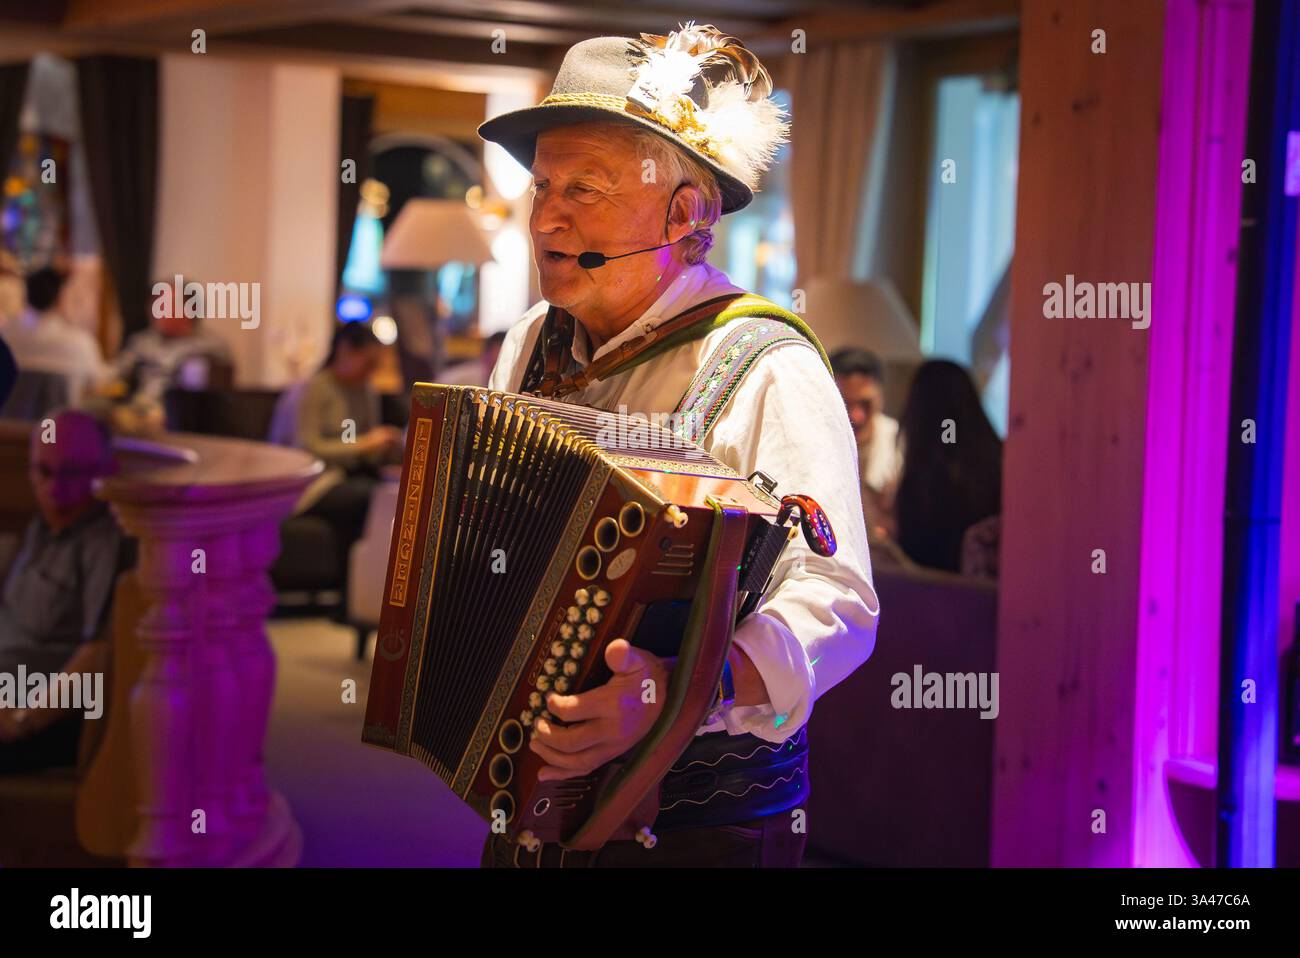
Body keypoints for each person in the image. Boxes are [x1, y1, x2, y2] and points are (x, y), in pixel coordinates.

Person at [475, 23, 879, 867]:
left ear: (684, 212)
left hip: (701, 824)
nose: (546, 214)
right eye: (543, 184)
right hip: (531, 800)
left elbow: (839, 605)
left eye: (583, 187)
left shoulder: (769, 366)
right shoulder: (528, 344)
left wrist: (675, 692)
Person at [0, 410, 124, 772]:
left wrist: (24, 717)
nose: (55, 489)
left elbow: (97, 657)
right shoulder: (45, 524)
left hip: (42, 714)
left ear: (108, 470)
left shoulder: (106, 539)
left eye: (73, 472)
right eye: (44, 471)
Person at [293, 322, 402, 554]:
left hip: (352, 475)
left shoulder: (365, 389)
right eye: (368, 363)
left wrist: (388, 447)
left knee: (396, 492)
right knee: (372, 496)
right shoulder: (316, 388)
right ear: (344, 350)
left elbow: (366, 447)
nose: (371, 371)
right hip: (317, 483)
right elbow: (306, 448)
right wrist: (364, 444)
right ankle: (356, 579)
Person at [895, 360, 1003, 574]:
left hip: (940, 598)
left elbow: (917, 560)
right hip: (994, 598)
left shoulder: (924, 483)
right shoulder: (998, 463)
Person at [111, 277, 233, 404]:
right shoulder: (142, 342)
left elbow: (211, 399)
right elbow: (115, 376)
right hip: (138, 412)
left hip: (184, 415)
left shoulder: (212, 348)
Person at [0, 266, 109, 407]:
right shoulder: (79, 343)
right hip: (60, 426)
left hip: (7, 426)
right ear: (61, 298)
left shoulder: (7, 335)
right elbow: (98, 382)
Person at [830, 347, 902, 539]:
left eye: (865, 403)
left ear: (881, 395)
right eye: (845, 404)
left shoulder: (899, 444)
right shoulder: (820, 445)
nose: (857, 416)